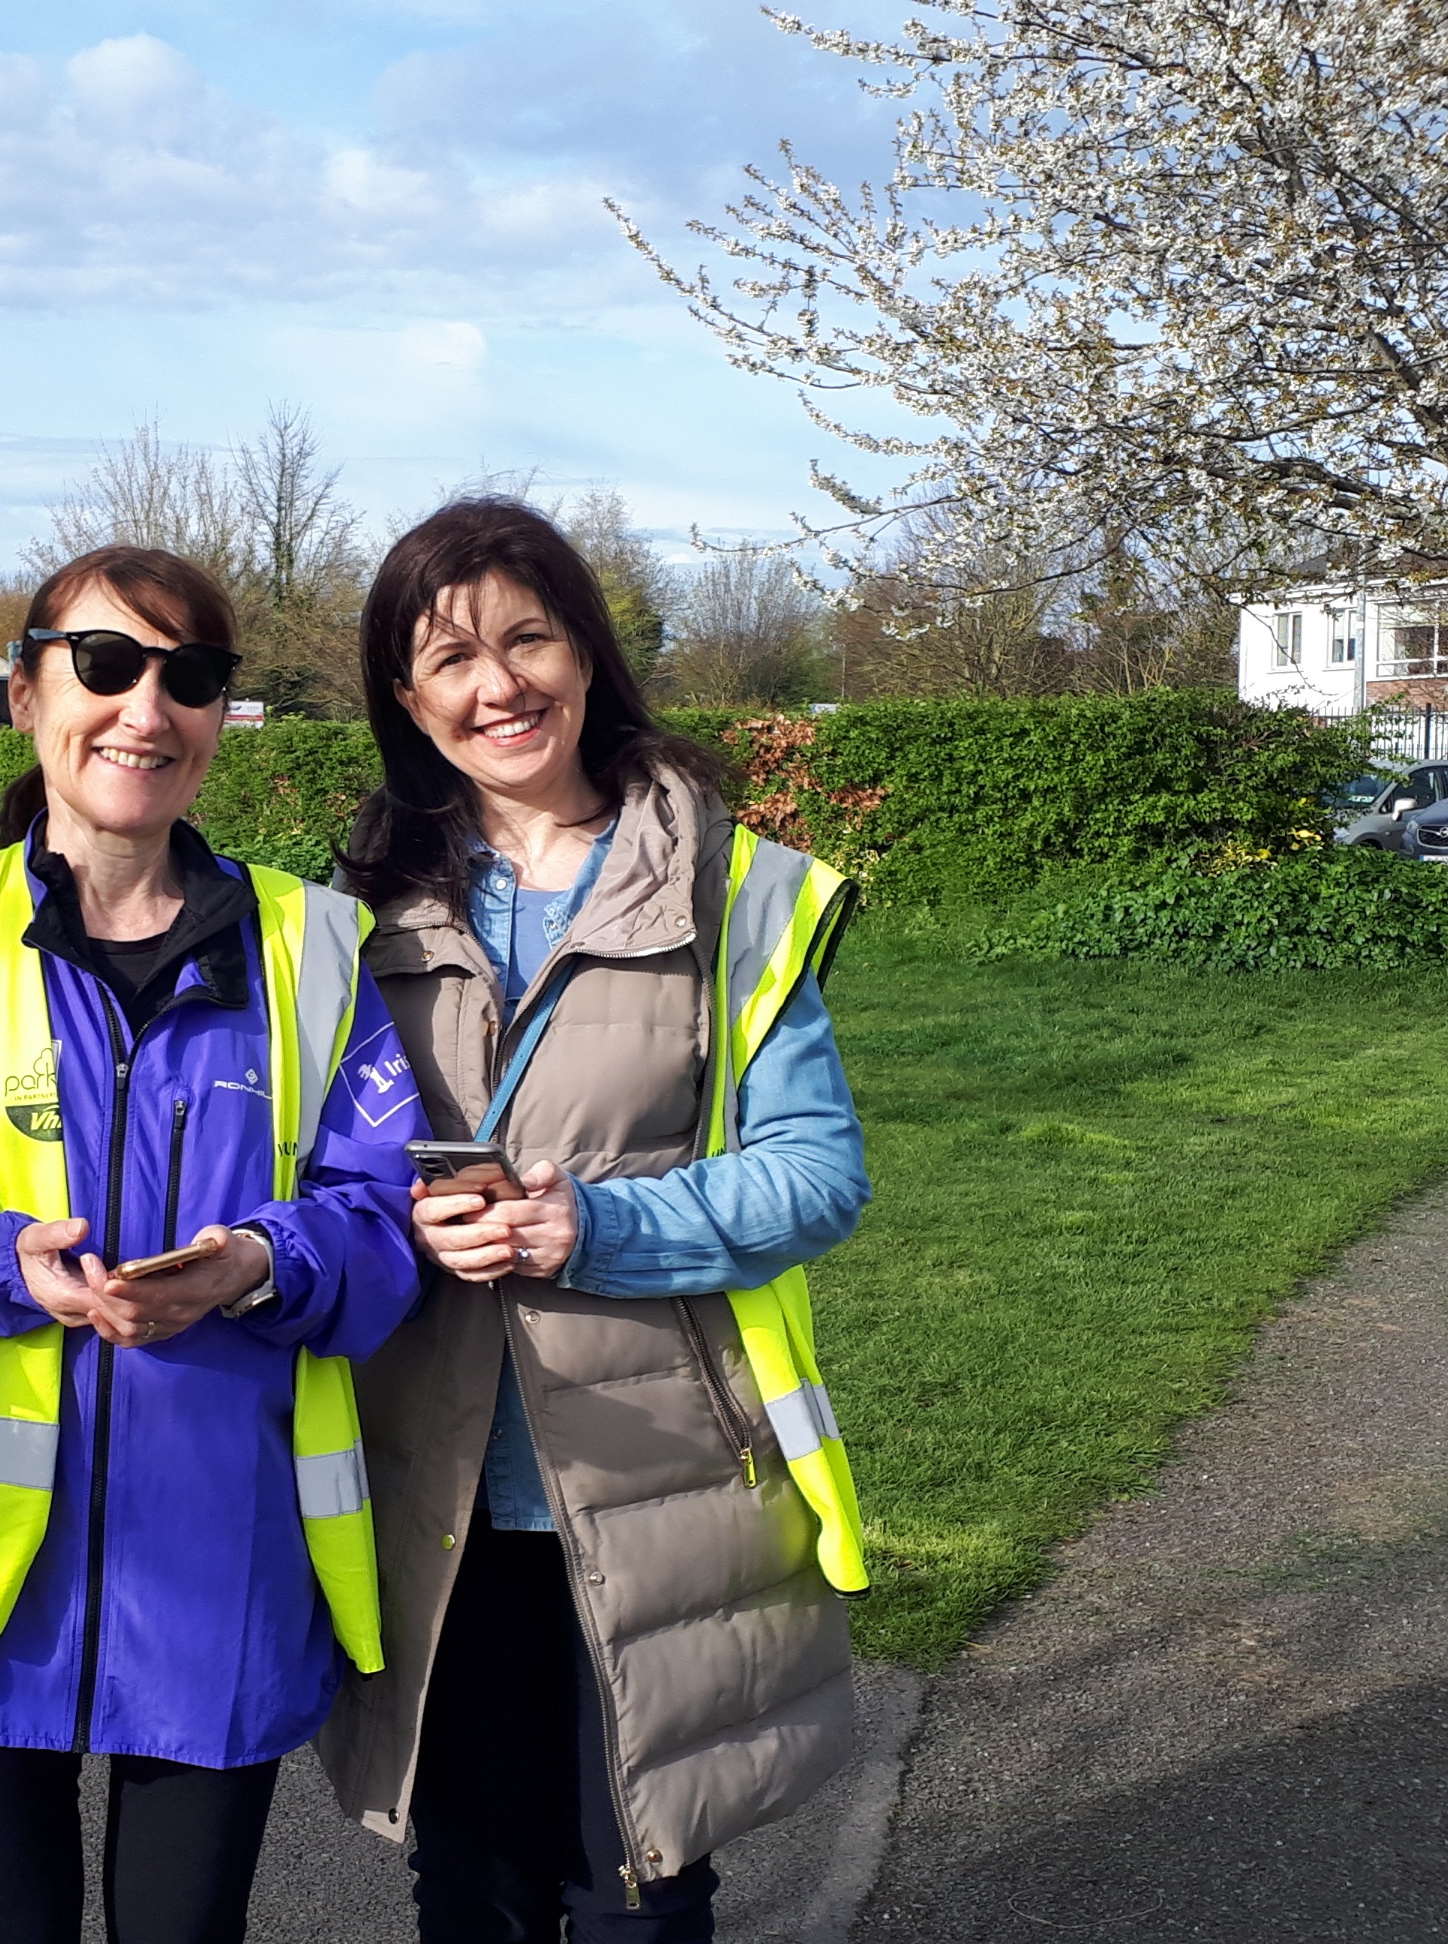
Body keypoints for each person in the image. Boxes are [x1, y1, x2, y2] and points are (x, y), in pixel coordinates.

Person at [0, 546, 428, 1944]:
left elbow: (386, 1223)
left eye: (188, 676)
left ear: (218, 718)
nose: (147, 707)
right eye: (104, 664)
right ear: (25, 694)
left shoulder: (319, 944)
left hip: (220, 1582)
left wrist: (261, 1262)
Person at [315, 499, 875, 1941]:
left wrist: (599, 1227)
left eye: (529, 638)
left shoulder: (731, 894)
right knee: (472, 1890)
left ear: (586, 652)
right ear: (407, 700)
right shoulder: (346, 917)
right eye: (451, 658)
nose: (499, 685)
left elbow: (818, 1171)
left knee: (639, 1890)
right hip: (428, 1486)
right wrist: (403, 1227)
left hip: (655, 1482)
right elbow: (312, 1176)